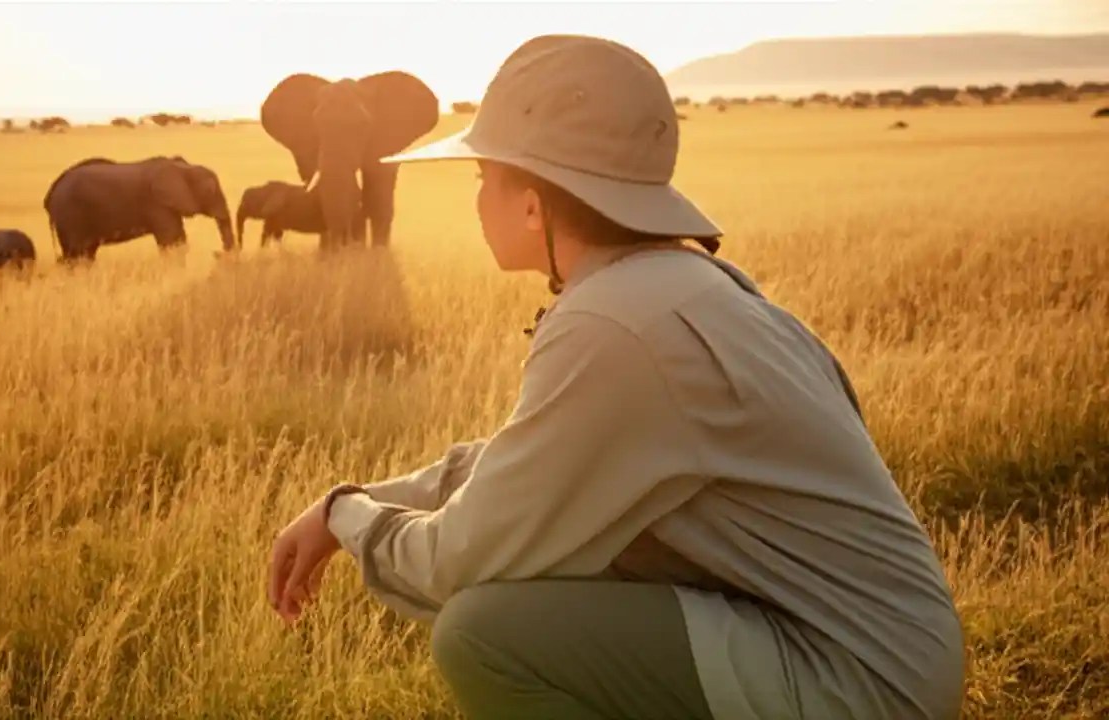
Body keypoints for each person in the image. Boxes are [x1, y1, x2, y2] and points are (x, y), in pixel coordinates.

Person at [268, 34, 965, 720]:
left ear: (535, 201)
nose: (477, 198)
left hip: (857, 683)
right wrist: (359, 499)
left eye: (484, 176)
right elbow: (522, 466)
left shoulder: (613, 324)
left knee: (484, 635)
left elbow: (460, 560)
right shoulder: (690, 286)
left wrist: (348, 519)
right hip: (891, 654)